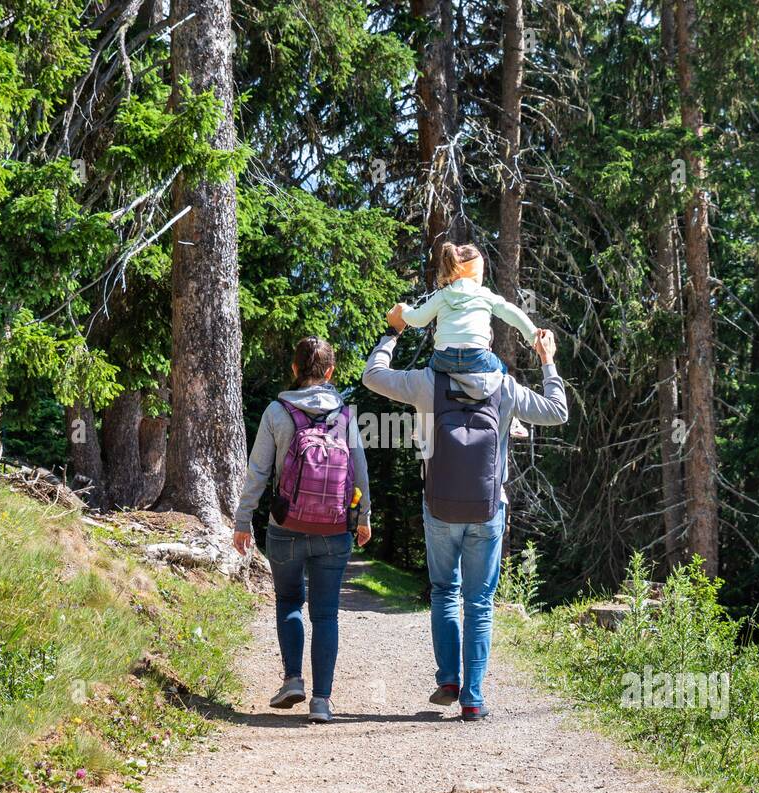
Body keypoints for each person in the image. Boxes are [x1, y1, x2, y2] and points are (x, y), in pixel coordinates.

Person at [361, 312, 567, 721]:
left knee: (444, 591)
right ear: (487, 344)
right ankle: (473, 698)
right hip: (488, 508)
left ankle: (448, 681)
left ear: (442, 341)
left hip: (438, 505)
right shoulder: (505, 387)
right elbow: (558, 411)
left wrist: (394, 331)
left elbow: (373, 375)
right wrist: (546, 358)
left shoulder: (425, 383)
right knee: (479, 602)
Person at [233, 336, 371, 724]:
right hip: (334, 529)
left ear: (294, 370)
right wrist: (364, 518)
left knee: (289, 601)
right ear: (329, 373)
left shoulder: (277, 412)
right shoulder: (345, 415)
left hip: (285, 526)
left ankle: (293, 679)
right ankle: (322, 702)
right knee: (325, 615)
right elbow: (359, 469)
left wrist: (243, 521)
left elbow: (258, 471)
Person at [386, 241, 543, 377]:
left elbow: (418, 320)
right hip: (477, 356)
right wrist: (532, 336)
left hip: (443, 358)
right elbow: (511, 312)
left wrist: (403, 309)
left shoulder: (442, 295)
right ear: (475, 272)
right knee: (501, 372)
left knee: (432, 370)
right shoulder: (484, 294)